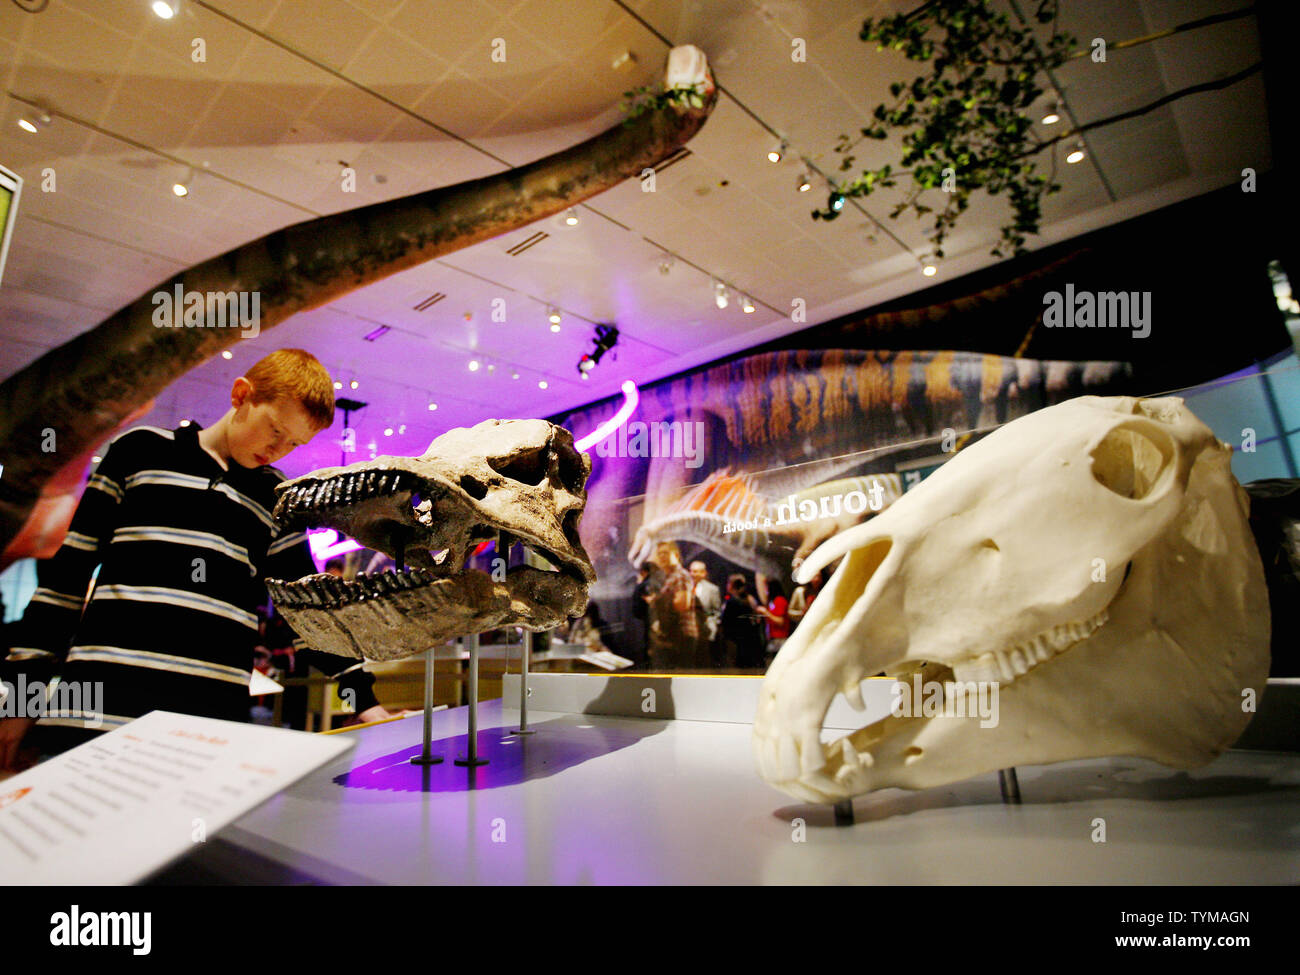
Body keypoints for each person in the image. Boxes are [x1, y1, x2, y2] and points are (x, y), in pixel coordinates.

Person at [0, 349, 397, 770]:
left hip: (208, 729)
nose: (278, 449)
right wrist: (21, 696)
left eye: (294, 443)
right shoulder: (137, 453)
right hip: (100, 714)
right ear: (242, 395)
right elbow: (66, 578)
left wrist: (364, 702)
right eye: (275, 429)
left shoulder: (278, 500)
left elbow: (307, 615)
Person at [719, 574, 764, 669]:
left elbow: (725, 622)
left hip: (735, 642)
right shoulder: (750, 600)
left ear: (731, 585)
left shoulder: (732, 602)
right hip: (751, 642)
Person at [687, 560, 721, 669]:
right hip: (686, 632)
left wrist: (711, 627)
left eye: (697, 571)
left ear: (704, 573)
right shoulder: (683, 587)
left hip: (704, 632)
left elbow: (716, 612)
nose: (693, 574)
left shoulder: (712, 590)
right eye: (692, 571)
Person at [754, 577, 790, 664]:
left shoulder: (780, 601)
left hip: (780, 640)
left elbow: (780, 621)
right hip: (772, 639)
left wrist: (766, 613)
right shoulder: (771, 602)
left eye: (766, 587)